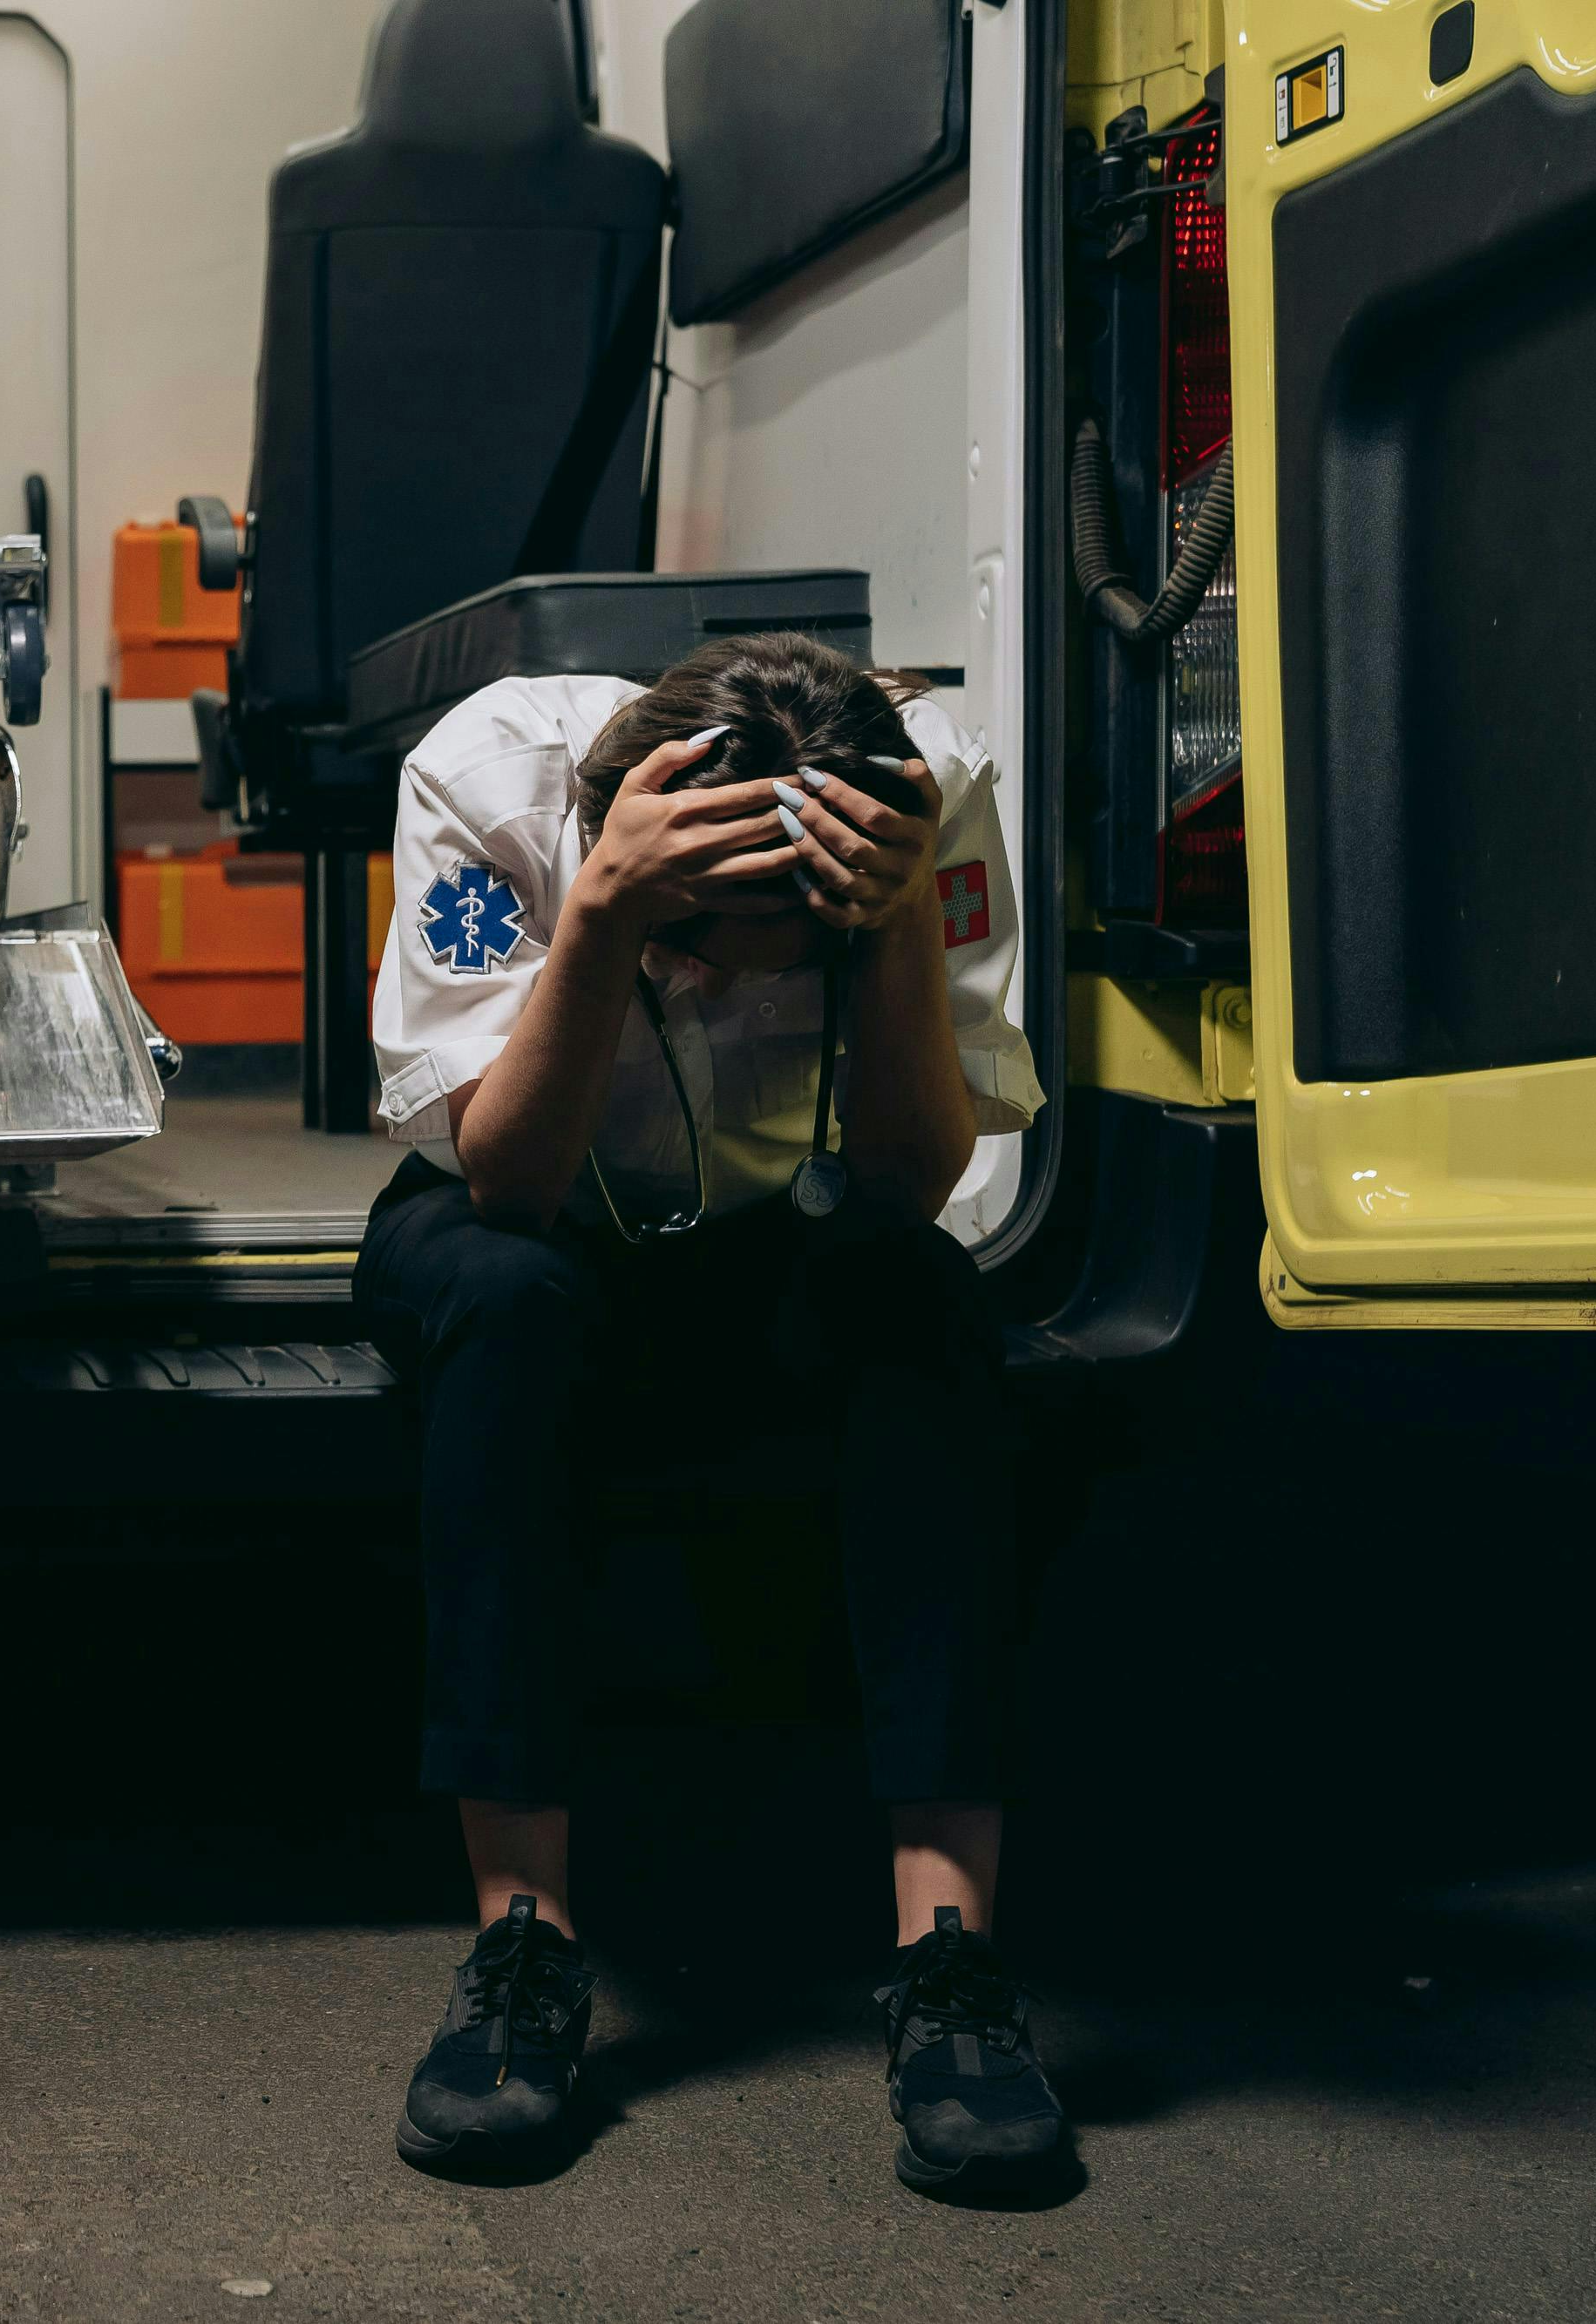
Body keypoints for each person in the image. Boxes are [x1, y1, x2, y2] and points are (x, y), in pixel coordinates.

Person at [355, 630, 1063, 2195]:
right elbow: (511, 1178)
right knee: (510, 1304)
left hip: (773, 1230)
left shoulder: (927, 802)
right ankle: (521, 1954)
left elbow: (902, 1187)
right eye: (706, 942)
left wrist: (877, 942)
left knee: (929, 1306)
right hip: (521, 1215)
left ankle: (948, 1965)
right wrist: (606, 917)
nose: (724, 979)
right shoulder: (490, 784)